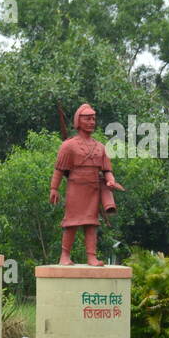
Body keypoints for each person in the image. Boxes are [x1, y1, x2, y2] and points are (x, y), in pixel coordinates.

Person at [49, 103, 123, 266]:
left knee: (91, 223)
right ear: (78, 121)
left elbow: (106, 169)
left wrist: (111, 180)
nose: (91, 122)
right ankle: (64, 256)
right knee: (71, 223)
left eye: (93, 119)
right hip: (75, 188)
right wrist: (54, 188)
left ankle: (91, 256)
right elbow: (59, 169)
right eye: (88, 119)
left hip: (93, 189)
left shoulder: (101, 147)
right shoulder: (69, 145)